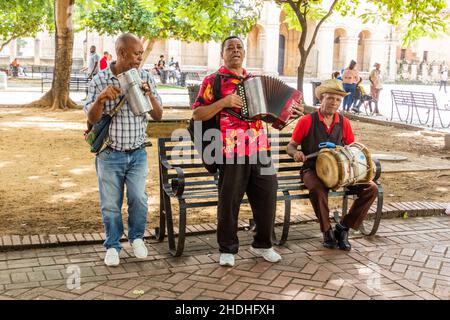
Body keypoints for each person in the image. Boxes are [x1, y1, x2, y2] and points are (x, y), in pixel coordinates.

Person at [192, 35, 303, 267]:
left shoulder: (255, 80)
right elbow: (198, 115)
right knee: (229, 201)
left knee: (267, 197)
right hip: (230, 148)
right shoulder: (214, 81)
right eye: (230, 48)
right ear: (222, 54)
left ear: (244, 52)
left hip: (260, 148)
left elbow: (271, 119)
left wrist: (288, 115)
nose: (235, 51)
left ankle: (263, 244)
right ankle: (228, 249)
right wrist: (223, 102)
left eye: (239, 47)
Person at [84, 33, 163, 267]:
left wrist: (148, 94)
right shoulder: (100, 79)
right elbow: (90, 118)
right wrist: (100, 100)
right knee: (110, 203)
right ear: (121, 53)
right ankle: (112, 245)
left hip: (137, 152)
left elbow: (158, 115)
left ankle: (137, 237)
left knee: (139, 198)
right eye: (137, 54)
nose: (140, 58)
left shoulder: (146, 76)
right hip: (110, 153)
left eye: (141, 54)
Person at [286, 79, 378, 251]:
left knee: (371, 188)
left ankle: (343, 228)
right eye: (330, 98)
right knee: (317, 189)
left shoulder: (344, 123)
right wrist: (296, 153)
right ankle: (327, 231)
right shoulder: (306, 121)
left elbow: (352, 149)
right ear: (321, 98)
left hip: (341, 172)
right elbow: (290, 146)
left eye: (338, 100)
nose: (334, 103)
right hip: (312, 169)